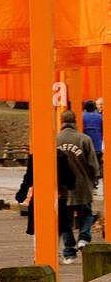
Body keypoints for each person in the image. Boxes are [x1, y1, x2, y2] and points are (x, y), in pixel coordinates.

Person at [57, 109, 100, 263]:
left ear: (61, 122)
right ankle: (83, 237)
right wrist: (95, 177)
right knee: (86, 214)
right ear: (75, 122)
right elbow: (93, 164)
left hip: (63, 189)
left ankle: (69, 252)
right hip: (82, 185)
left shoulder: (55, 140)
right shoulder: (84, 139)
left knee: (65, 222)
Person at [83, 100, 103, 178]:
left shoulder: (82, 116)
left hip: (86, 143)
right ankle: (97, 174)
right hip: (97, 143)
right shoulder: (99, 116)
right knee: (97, 160)